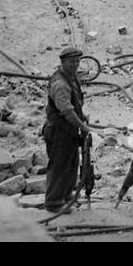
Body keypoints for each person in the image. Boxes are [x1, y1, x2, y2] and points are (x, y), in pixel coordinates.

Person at [43, 46, 91, 213]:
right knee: (60, 166)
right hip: (59, 131)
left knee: (71, 164)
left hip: (68, 131)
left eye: (77, 61)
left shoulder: (71, 76)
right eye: (71, 62)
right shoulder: (60, 84)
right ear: (63, 62)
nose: (75, 65)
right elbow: (67, 111)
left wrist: (82, 115)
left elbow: (75, 103)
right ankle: (54, 202)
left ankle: (67, 196)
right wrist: (83, 126)